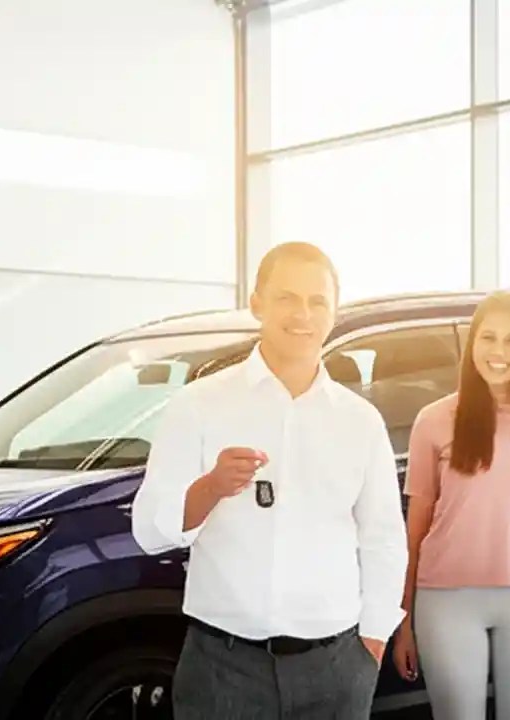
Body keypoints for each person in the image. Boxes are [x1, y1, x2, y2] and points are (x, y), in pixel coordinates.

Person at [130, 241, 408, 719]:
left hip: (337, 667)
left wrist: (374, 640)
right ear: (257, 302)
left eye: (317, 301)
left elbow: (382, 538)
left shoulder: (359, 420)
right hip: (224, 667)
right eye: (286, 298)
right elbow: (149, 532)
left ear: (334, 311)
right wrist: (211, 487)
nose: (303, 314)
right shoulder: (199, 404)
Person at [391, 291, 510, 720]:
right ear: (473, 344)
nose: (499, 352)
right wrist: (404, 622)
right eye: (488, 338)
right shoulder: (433, 420)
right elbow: (415, 529)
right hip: (448, 602)